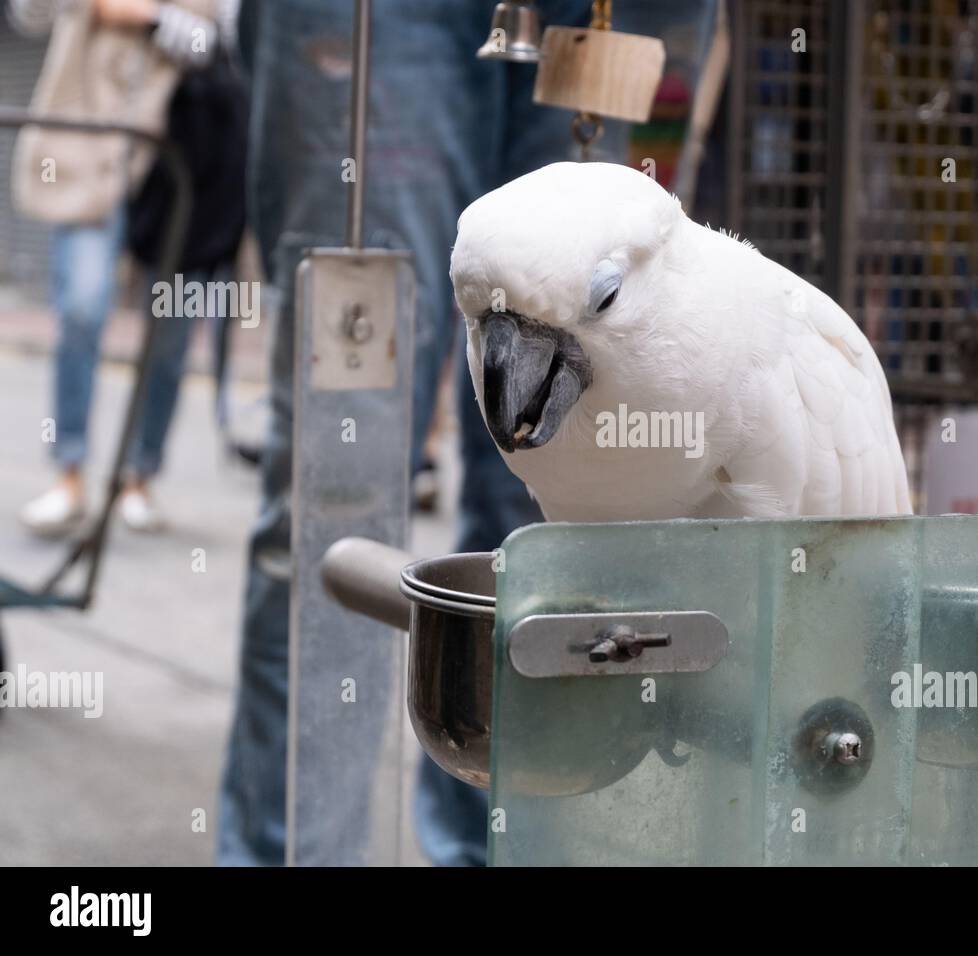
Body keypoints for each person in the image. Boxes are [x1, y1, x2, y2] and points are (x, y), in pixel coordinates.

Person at [218, 0, 717, 866]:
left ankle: (508, 847)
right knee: (339, 466)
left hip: (623, 11)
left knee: (572, 495)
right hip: (375, 17)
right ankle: (295, 855)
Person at [10, 0, 240, 535]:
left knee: (171, 331)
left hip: (178, 168)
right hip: (89, 162)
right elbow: (27, 13)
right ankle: (69, 474)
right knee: (84, 307)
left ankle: (139, 475)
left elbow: (222, 42)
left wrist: (152, 16)